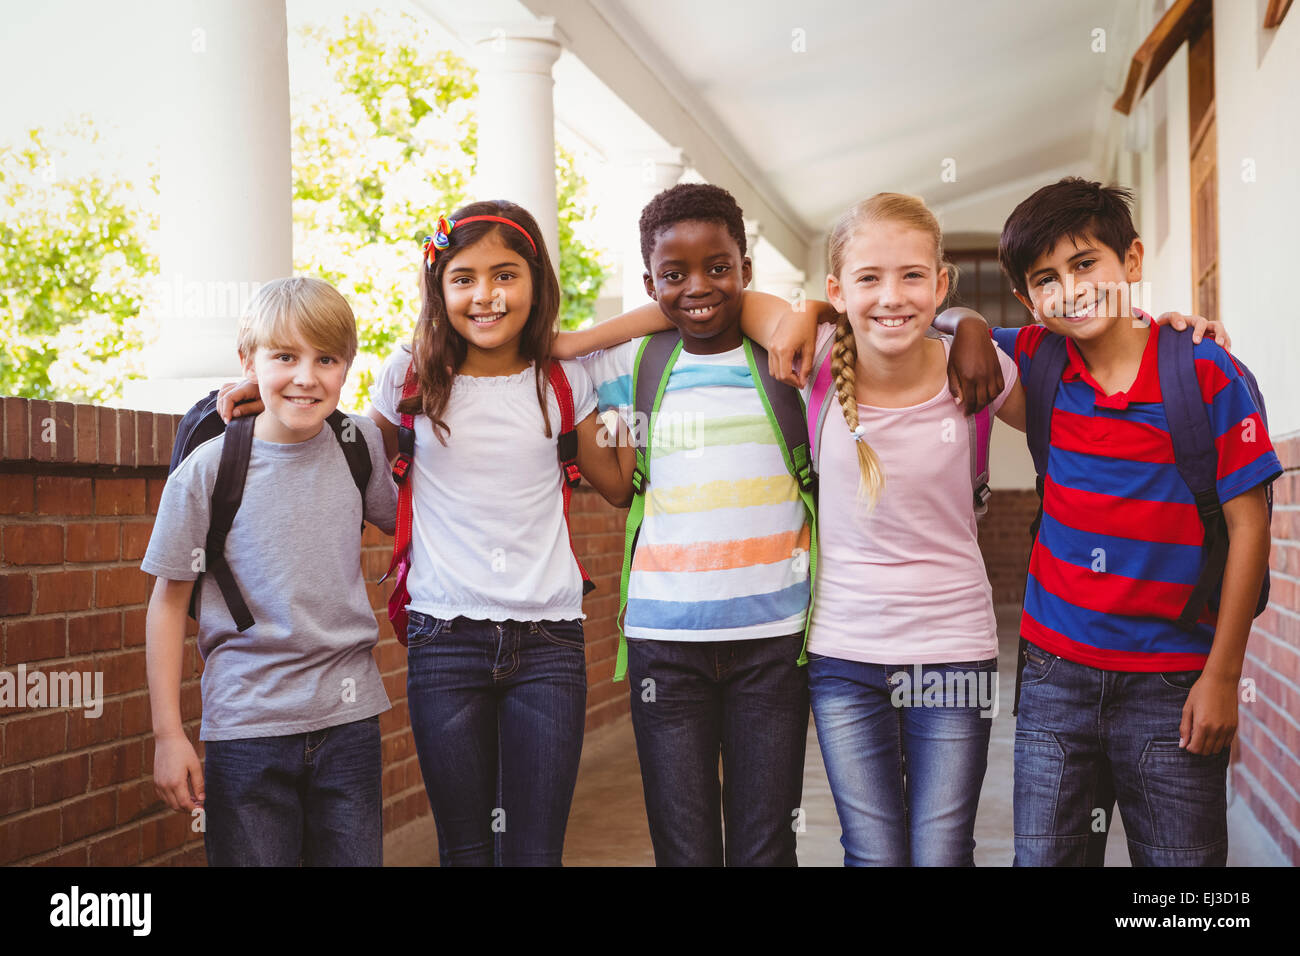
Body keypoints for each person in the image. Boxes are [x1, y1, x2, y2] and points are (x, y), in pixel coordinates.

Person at [221, 200, 634, 866]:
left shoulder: (566, 377)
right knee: (464, 849)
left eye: (506, 275)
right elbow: (341, 452)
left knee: (535, 852)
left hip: (550, 641)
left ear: (536, 282)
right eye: (464, 277)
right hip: (445, 639)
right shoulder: (409, 375)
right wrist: (268, 392)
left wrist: (613, 380)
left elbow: (616, 483)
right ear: (440, 290)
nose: (486, 295)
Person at [992, 177, 1279, 865]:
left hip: (1175, 684)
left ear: (1134, 261)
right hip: (1055, 680)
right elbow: (919, 326)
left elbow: (1251, 530)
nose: (1070, 288)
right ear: (1028, 301)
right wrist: (969, 326)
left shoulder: (1207, 372)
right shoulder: (1037, 360)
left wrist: (1221, 677)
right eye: (1045, 278)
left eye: (1085, 263)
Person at [143, 277, 398, 866]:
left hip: (349, 722)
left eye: (326, 359)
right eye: (284, 356)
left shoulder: (358, 447)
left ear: (347, 366)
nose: (307, 377)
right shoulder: (209, 470)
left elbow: (412, 520)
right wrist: (168, 735)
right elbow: (166, 603)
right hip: (245, 730)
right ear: (247, 363)